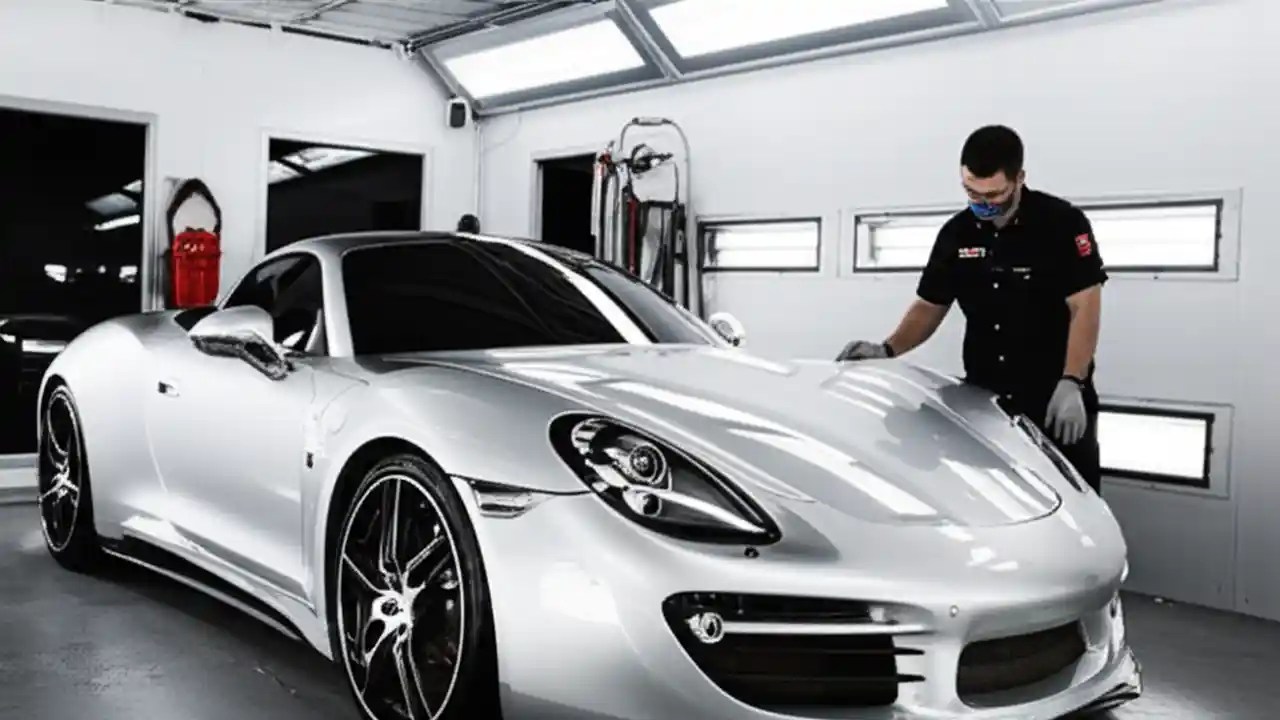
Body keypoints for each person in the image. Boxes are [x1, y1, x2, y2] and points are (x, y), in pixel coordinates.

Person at [837, 125, 1107, 493]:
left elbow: (1085, 305)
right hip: (985, 400)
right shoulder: (957, 234)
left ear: (1019, 179)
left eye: (994, 195)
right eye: (971, 192)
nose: (983, 204)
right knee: (996, 498)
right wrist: (886, 349)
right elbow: (930, 305)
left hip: (1054, 400)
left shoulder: (1061, 223)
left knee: (1072, 497)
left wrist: (1072, 381)